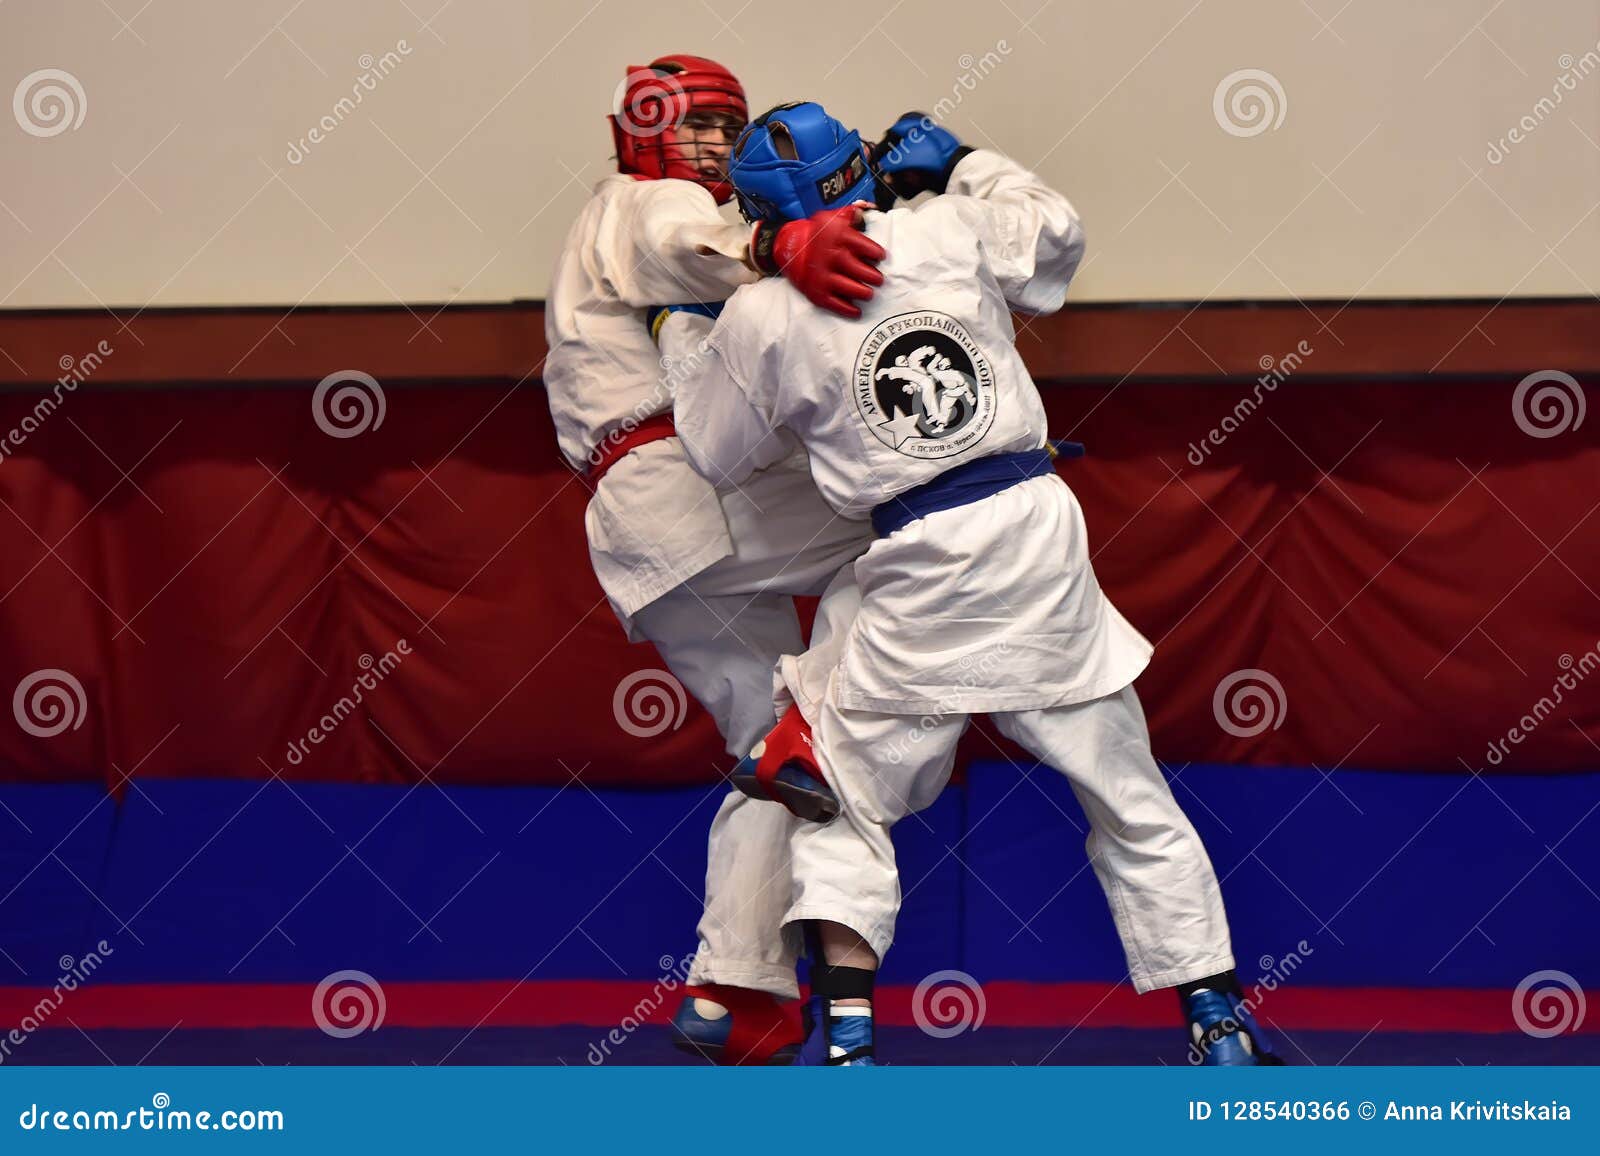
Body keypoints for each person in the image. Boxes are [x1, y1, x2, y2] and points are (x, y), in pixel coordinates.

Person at [658, 103, 1279, 1066]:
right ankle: (1218, 1016)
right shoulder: (946, 224)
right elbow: (1058, 233)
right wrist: (963, 160)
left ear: (754, 206)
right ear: (860, 169)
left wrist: (683, 327)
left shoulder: (761, 312)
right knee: (1127, 791)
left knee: (840, 792)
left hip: (916, 563)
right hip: (1033, 539)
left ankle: (851, 1043)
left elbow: (713, 450)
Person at [544, 59, 884, 1063]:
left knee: (770, 749)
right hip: (679, 490)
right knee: (916, 520)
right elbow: (685, 241)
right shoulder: (649, 201)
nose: (712, 140)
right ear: (643, 131)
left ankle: (732, 989)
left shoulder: (614, 221)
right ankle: (823, 721)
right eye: (697, 122)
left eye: (728, 124)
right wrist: (782, 235)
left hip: (643, 526)